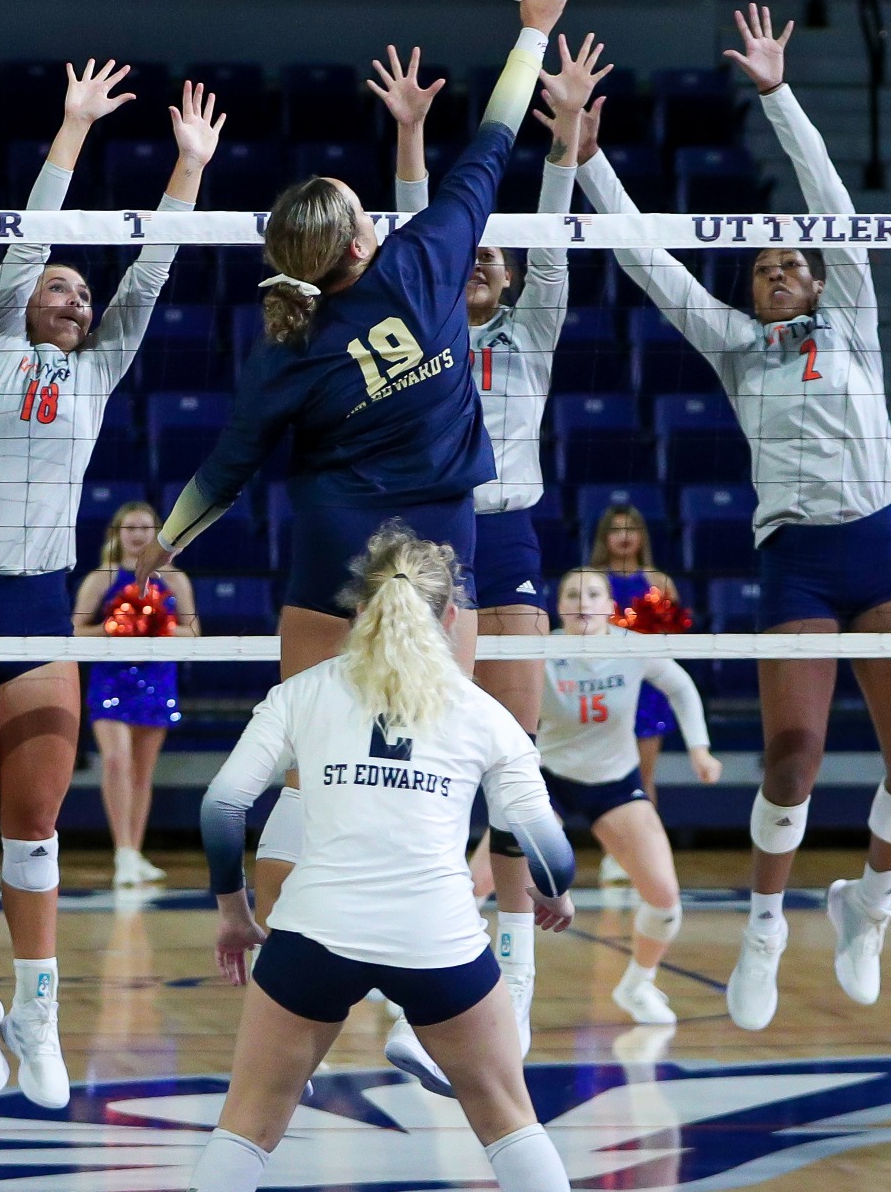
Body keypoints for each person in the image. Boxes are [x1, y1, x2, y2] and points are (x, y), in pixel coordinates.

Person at [137, 0, 583, 1012]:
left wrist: (166, 545)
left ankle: (293, 955)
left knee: (306, 769)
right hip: (434, 555)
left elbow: (226, 470)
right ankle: (432, 959)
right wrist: (531, 27)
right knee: (450, 758)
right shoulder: (425, 261)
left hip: (326, 550)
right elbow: (494, 142)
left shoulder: (288, 345)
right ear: (356, 238)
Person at [568, 6, 891, 1029]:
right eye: (761, 268)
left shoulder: (849, 317)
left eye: (789, 264)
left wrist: (776, 93)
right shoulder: (737, 347)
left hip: (878, 542)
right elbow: (650, 261)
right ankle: (765, 924)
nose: (775, 271)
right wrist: (593, 166)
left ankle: (867, 901)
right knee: (792, 755)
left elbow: (826, 194)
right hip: (797, 561)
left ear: (818, 277)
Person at [0, 67, 224, 1109]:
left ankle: (36, 1013)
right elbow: (34, 234)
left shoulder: (96, 371)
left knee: (33, 830)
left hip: (39, 612)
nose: (76, 298)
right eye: (62, 287)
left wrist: (188, 168)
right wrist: (73, 129)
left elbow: (152, 274)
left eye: (84, 295)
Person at [189, 525, 578, 1192]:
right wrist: (554, 892)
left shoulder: (302, 692)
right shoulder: (485, 715)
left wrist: (234, 912)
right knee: (510, 1121)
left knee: (246, 1124)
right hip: (440, 942)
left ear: (358, 610)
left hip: (314, 937)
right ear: (452, 617)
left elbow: (222, 806)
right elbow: (549, 850)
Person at [367, 32, 605, 1080]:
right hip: (425, 532)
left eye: (498, 259)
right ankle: (409, 990)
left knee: (509, 756)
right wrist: (412, 137)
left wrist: (561, 145)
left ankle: (511, 988)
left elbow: (550, 235)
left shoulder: (531, 327)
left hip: (505, 532)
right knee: (425, 759)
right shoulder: (420, 318)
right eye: (474, 252)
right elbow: (420, 229)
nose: (488, 261)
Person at [539, 568, 719, 1024]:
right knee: (478, 884)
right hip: (546, 779)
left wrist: (700, 749)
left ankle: (638, 984)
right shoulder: (540, 648)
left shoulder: (631, 644)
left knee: (664, 899)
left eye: (593, 593)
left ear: (609, 605)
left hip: (615, 782)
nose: (583, 602)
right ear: (558, 606)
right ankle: (418, 982)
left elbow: (680, 686)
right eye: (573, 594)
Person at [71, 500, 200, 887]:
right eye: (131, 528)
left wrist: (155, 625)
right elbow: (75, 632)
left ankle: (134, 850)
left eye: (147, 527)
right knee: (116, 762)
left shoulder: (175, 578)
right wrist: (115, 627)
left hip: (156, 679)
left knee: (142, 772)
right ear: (117, 534)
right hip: (111, 679)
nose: (139, 534)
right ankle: (122, 851)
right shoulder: (102, 577)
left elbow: (193, 633)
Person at [588, 502, 686, 877]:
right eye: (616, 529)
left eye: (632, 529)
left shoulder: (659, 583)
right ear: (605, 537)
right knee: (607, 777)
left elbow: (672, 639)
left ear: (642, 536)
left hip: (645, 689)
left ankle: (644, 859)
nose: (624, 537)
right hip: (603, 685)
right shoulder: (591, 581)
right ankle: (613, 854)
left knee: (644, 778)